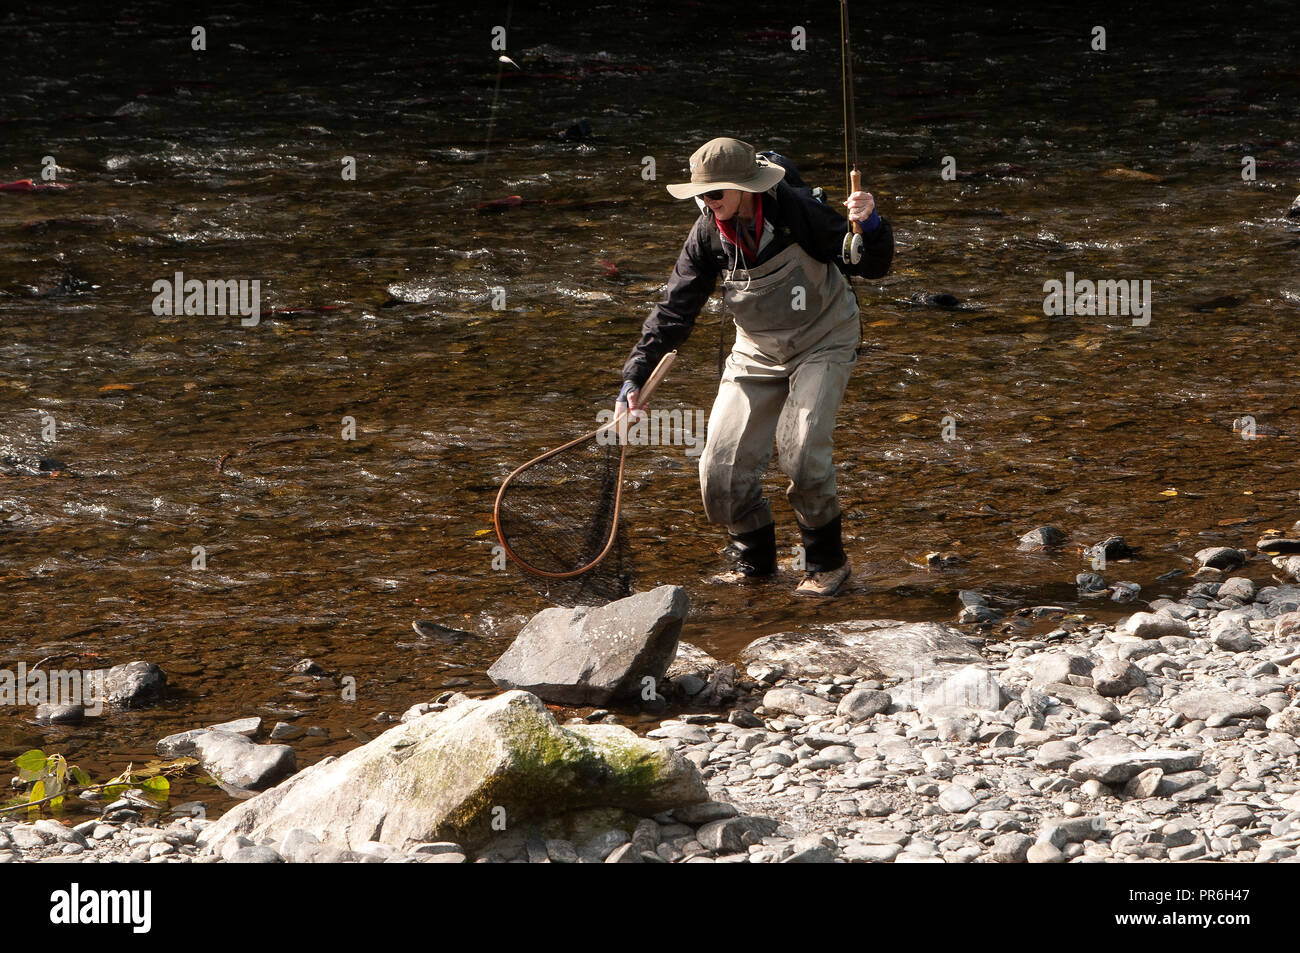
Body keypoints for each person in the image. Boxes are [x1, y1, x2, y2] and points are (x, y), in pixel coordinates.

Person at [617, 137, 894, 596]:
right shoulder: (706, 235)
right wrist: (635, 376)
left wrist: (872, 222)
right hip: (756, 351)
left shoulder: (800, 211)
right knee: (719, 471)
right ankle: (757, 569)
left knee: (802, 454)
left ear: (748, 187)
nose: (708, 201)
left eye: (717, 191)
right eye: (702, 194)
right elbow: (673, 312)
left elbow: (873, 266)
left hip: (824, 338)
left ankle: (827, 564)